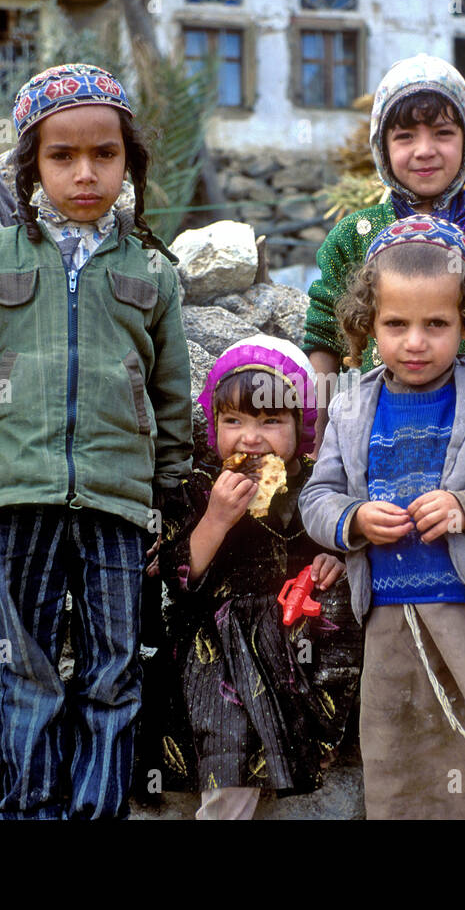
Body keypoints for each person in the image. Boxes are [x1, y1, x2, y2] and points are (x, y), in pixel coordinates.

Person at [0, 62, 192, 820]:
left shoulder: (152, 271)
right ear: (31, 166)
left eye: (104, 154)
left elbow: (173, 397)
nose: (85, 172)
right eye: (62, 155)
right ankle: (26, 808)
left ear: (128, 162)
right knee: (27, 669)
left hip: (118, 500)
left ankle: (96, 812)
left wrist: (165, 504)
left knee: (114, 671)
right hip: (15, 496)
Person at [299, 215, 465, 819]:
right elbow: (316, 499)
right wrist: (354, 519)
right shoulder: (348, 407)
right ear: (368, 325)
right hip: (389, 622)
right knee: (400, 761)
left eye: (436, 324)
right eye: (396, 324)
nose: (415, 341)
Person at [147, 336, 362, 819]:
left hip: (287, 636)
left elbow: (331, 544)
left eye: (271, 421)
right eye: (234, 421)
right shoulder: (198, 486)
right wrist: (216, 520)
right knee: (224, 725)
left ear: (300, 427)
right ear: (213, 425)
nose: (251, 437)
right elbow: (181, 580)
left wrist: (329, 561)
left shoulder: (313, 486)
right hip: (214, 643)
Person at [301, 54, 465, 448]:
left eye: (443, 133)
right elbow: (324, 336)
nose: (425, 150)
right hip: (377, 435)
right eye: (405, 136)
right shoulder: (354, 236)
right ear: (381, 145)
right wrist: (318, 435)